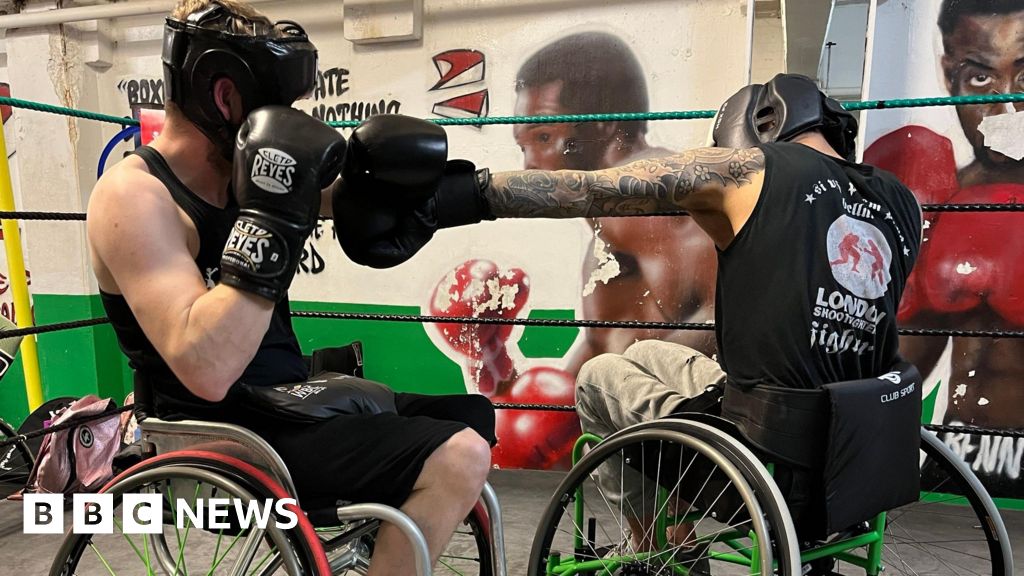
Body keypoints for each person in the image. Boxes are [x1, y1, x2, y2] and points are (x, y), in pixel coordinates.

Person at [334, 73, 922, 570]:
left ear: (763, 126)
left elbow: (585, 191)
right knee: (641, 356)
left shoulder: (749, 170)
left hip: (767, 458)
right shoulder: (902, 201)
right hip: (859, 452)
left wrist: (452, 200)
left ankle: (657, 550)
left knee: (597, 378)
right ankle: (672, 530)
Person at [87, 2, 493, 574]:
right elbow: (204, 368)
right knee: (458, 457)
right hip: (222, 435)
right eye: (281, 107)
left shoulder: (244, 178)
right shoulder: (135, 199)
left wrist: (446, 196)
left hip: (283, 402)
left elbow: (357, 196)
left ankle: (384, 556)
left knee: (472, 415)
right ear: (226, 97)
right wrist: (274, 220)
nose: (292, 120)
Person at [513, 32, 718, 373]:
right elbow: (602, 346)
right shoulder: (609, 224)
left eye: (544, 136)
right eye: (524, 146)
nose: (528, 165)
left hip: (669, 418)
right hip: (638, 419)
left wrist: (641, 394)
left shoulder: (640, 195)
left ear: (604, 123)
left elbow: (725, 315)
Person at [865, 0, 1024, 429]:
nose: (1006, 107)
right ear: (947, 74)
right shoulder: (940, 200)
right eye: (980, 77)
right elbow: (896, 370)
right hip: (952, 454)